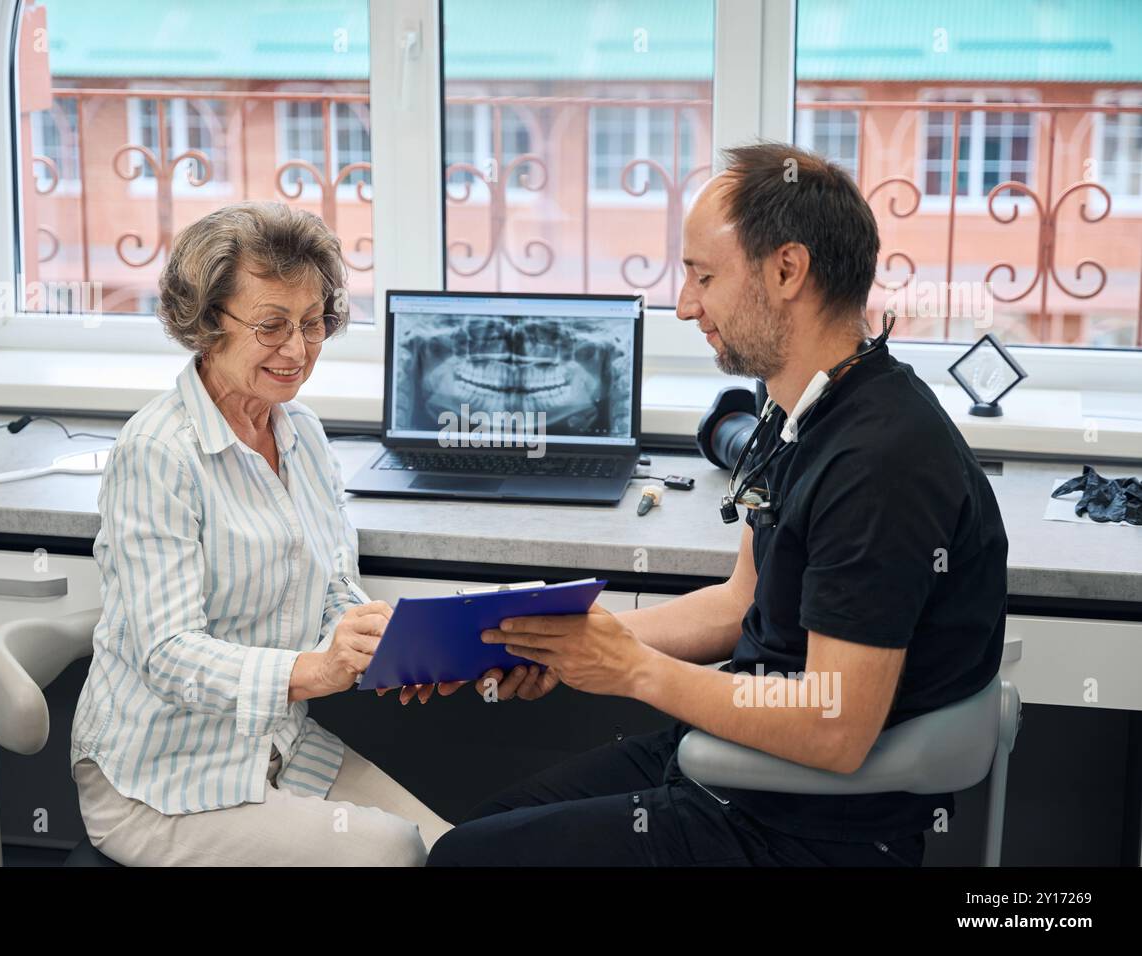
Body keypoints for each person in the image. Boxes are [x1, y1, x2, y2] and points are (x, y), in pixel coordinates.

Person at [424, 143, 1009, 867]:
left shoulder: (880, 462)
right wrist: (569, 639)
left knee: (467, 862)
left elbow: (834, 726)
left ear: (787, 270)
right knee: (475, 837)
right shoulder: (798, 410)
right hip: (740, 770)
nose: (685, 304)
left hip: (812, 830)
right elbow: (743, 605)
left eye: (704, 276)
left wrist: (631, 670)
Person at [70, 201, 451, 866]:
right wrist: (315, 669)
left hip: (279, 748)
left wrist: (373, 642)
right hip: (164, 779)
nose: (298, 350)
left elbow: (332, 583)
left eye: (312, 324)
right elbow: (168, 654)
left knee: (458, 852)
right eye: (272, 326)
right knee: (391, 853)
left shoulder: (298, 431)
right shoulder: (158, 453)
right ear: (206, 322)